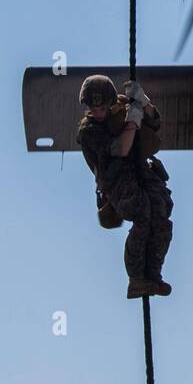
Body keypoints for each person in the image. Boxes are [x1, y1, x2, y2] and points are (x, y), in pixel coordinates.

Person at [77, 74, 174, 299]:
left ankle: (153, 277)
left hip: (141, 170)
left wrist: (142, 101)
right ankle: (136, 280)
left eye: (102, 107)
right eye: (93, 108)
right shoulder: (89, 131)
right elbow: (120, 149)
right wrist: (132, 122)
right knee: (142, 215)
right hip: (118, 181)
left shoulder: (122, 108)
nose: (98, 112)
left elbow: (154, 121)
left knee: (161, 215)